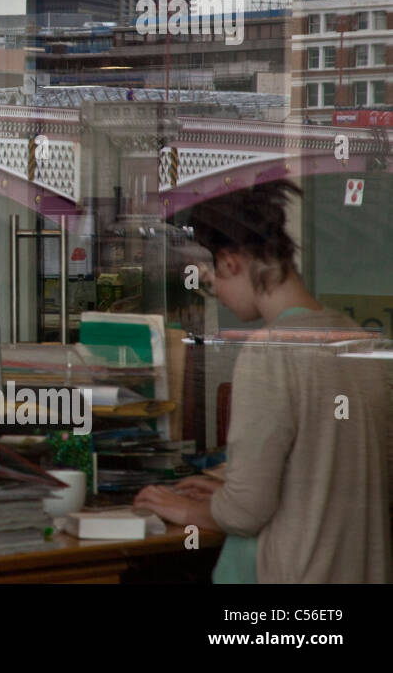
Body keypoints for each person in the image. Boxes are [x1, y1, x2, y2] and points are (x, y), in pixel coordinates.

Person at [133, 180, 391, 583]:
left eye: (210, 278)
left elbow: (246, 511)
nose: (214, 291)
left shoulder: (269, 354)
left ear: (231, 261)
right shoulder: (361, 341)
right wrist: (222, 492)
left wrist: (183, 508)